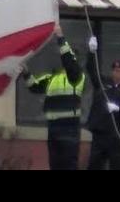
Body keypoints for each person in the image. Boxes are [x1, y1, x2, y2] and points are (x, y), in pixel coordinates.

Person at [17, 24, 85, 170]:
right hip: (54, 127)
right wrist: (26, 72)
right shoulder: (52, 78)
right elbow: (34, 87)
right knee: (55, 165)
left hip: (69, 127)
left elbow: (69, 61)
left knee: (69, 165)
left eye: (72, 57)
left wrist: (60, 38)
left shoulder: (77, 76)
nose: (67, 60)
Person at [84, 35, 120, 170]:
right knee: (94, 164)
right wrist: (92, 53)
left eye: (119, 71)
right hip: (99, 133)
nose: (115, 73)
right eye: (114, 70)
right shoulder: (104, 83)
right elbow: (92, 70)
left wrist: (119, 109)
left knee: (118, 165)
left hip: (117, 135)